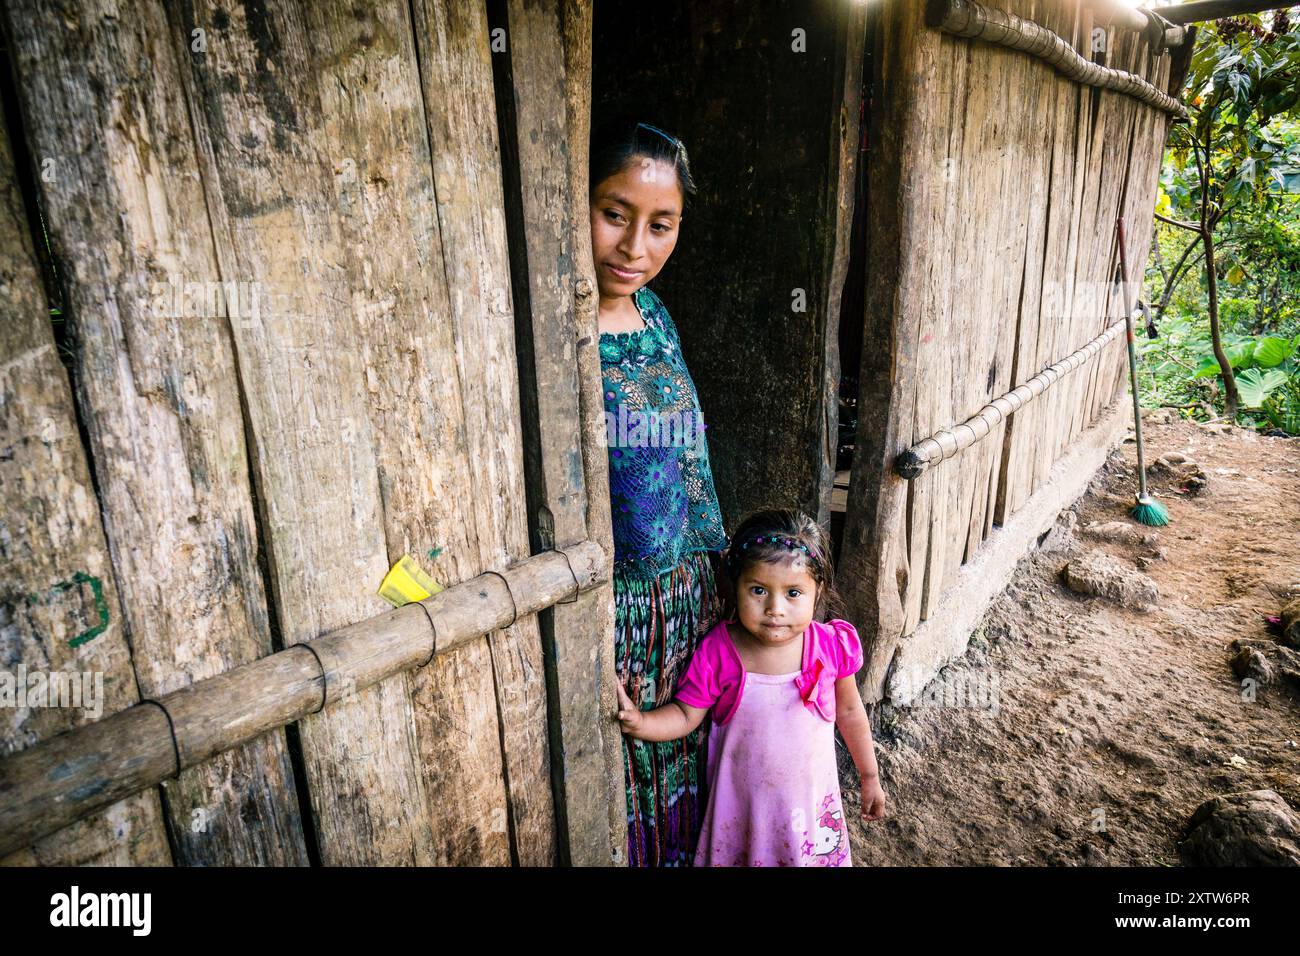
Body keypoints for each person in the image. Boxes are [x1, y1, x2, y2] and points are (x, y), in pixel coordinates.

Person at [590, 118, 728, 866]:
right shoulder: (558, 331)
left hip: (683, 600)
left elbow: (689, 459)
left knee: (682, 762)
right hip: (611, 614)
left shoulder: (655, 313)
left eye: (660, 225)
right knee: (620, 778)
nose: (635, 248)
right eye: (614, 214)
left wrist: (715, 580)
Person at [615, 509, 887, 866]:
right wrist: (642, 723)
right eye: (758, 590)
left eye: (793, 593)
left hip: (807, 813)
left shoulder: (832, 646)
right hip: (743, 814)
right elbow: (685, 714)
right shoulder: (720, 652)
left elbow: (851, 712)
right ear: (735, 584)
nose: (775, 608)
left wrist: (870, 776)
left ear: (817, 590)